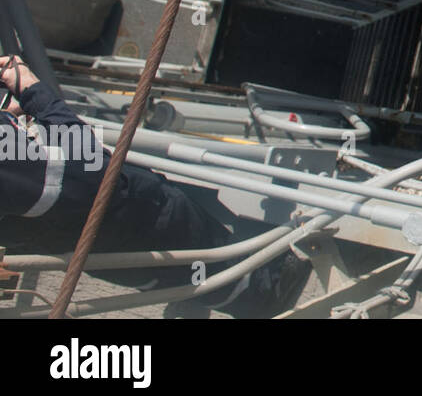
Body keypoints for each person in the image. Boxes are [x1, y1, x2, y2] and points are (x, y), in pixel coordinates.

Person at [0, 55, 307, 315]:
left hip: (109, 238)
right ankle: (271, 292)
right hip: (137, 221)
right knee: (221, 274)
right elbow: (90, 177)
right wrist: (32, 90)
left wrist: (16, 123)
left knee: (197, 272)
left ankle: (261, 287)